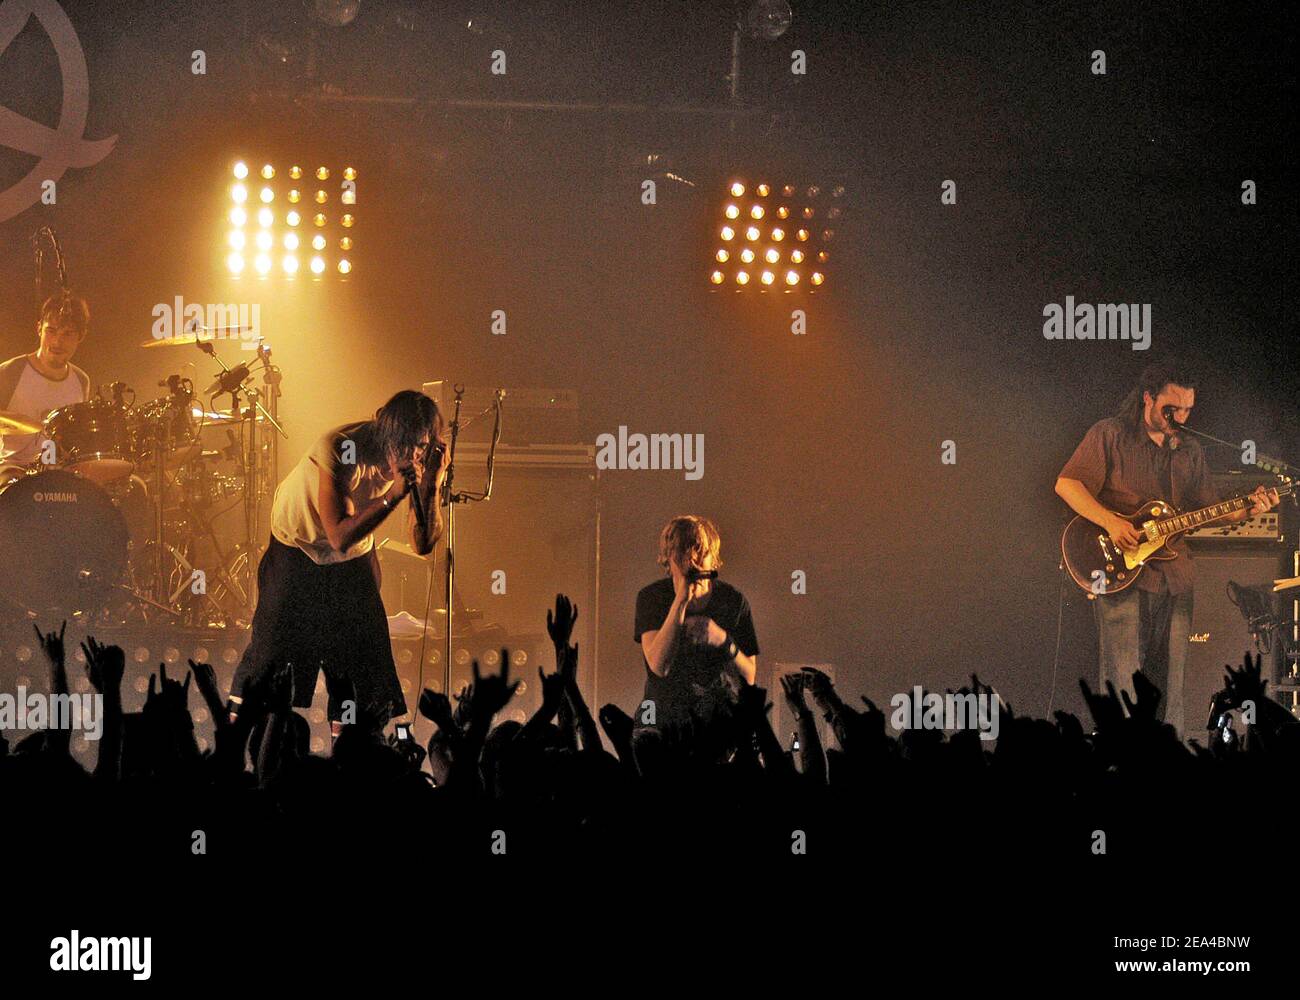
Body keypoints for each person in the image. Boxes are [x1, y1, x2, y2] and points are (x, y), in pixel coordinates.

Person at [1054, 361, 1278, 735]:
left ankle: (1167, 768)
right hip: (1122, 574)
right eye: (1172, 409)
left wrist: (1248, 507)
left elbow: (1209, 510)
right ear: (1147, 398)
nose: (1181, 417)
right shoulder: (1110, 435)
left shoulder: (1188, 450)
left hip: (1175, 579)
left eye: (1188, 409)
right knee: (1122, 685)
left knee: (1169, 690)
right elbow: (1067, 484)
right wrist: (1112, 522)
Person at [229, 390, 447, 735]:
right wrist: (392, 497)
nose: (409, 455)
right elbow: (339, 537)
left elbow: (423, 544)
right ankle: (237, 749)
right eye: (402, 444)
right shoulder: (343, 446)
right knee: (269, 661)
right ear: (381, 426)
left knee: (358, 671)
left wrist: (431, 485)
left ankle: (349, 756)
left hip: (353, 554)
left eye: (418, 446)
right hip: (299, 547)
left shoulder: (419, 462)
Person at [634, 515, 759, 729]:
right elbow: (658, 665)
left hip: (716, 725)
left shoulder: (732, 600)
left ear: (713, 558)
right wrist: (681, 600)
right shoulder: (652, 597)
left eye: (700, 552)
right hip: (663, 722)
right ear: (668, 559)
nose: (692, 559)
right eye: (683, 552)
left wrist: (723, 640)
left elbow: (749, 676)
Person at [0, 294, 91, 467]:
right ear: (39, 328)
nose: (57, 342)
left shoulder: (81, 380)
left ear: (80, 336)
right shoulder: (10, 372)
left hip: (60, 474)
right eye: (51, 331)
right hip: (13, 472)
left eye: (67, 334)